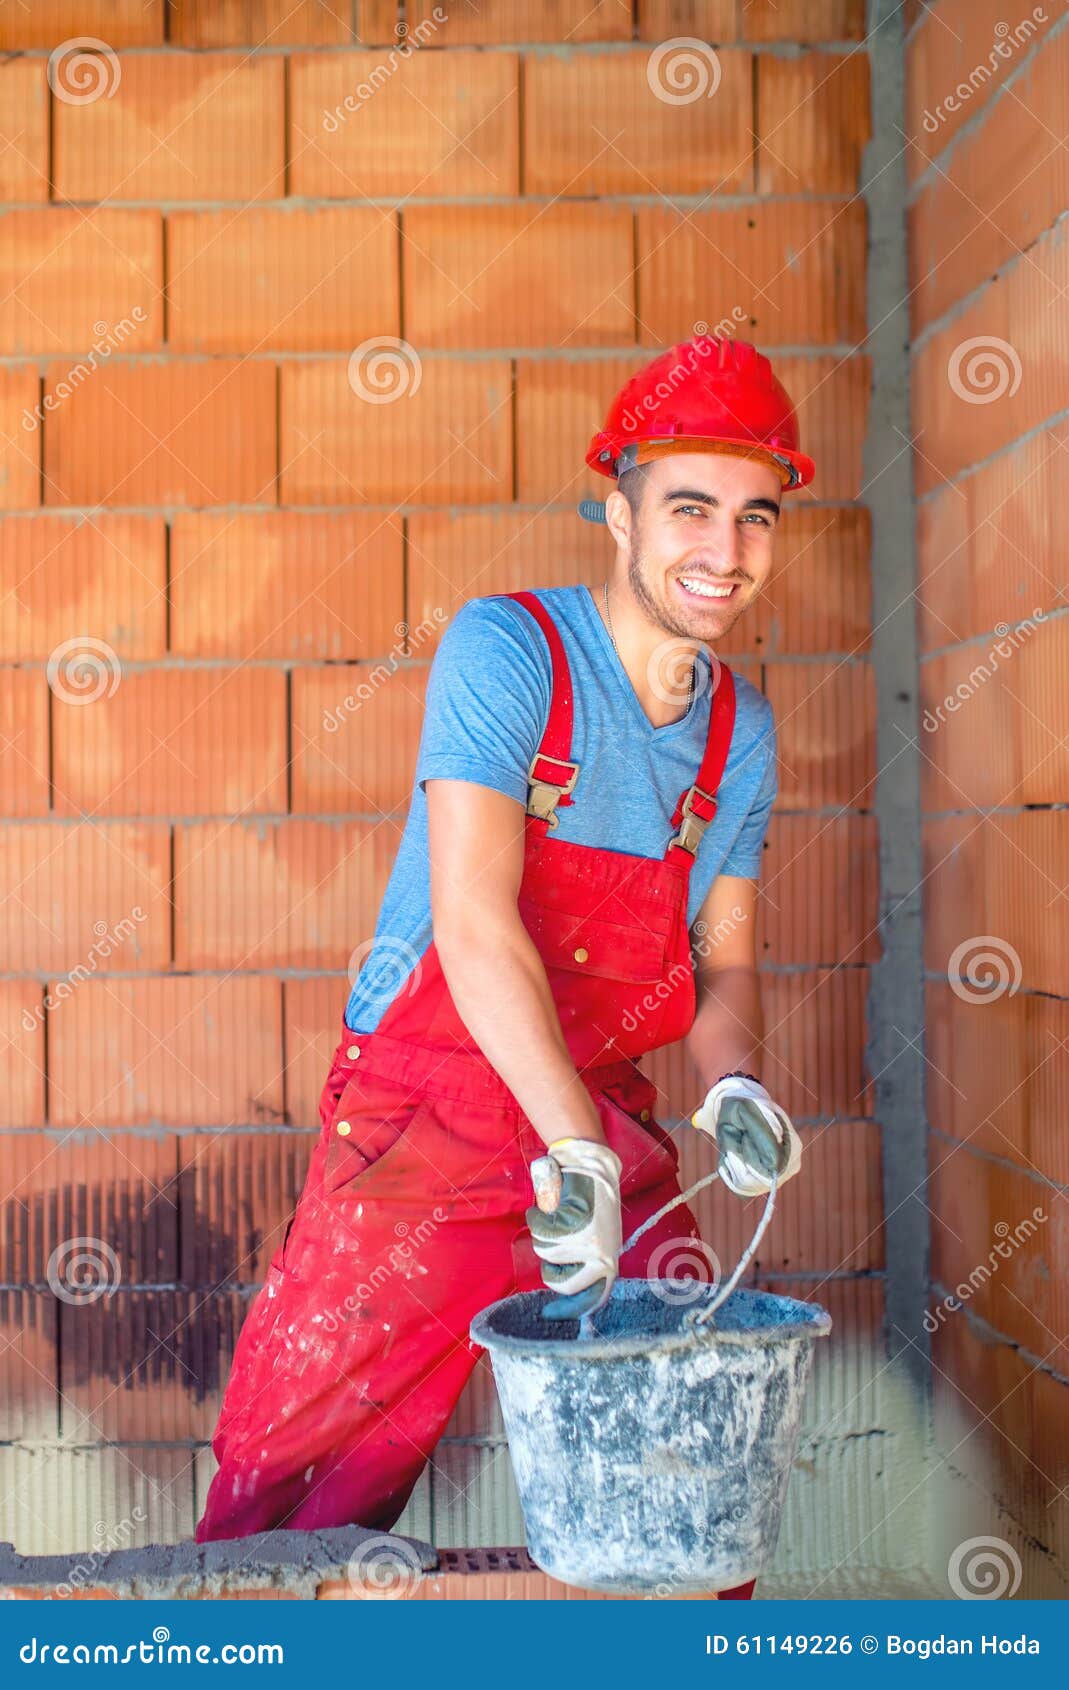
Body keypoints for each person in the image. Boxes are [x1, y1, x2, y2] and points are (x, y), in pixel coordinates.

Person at [197, 333, 809, 1558]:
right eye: (690, 509)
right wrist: (566, 1146)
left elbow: (722, 963)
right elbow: (474, 922)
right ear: (618, 514)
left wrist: (734, 1079)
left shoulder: (739, 731)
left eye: (754, 517)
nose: (723, 552)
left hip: (604, 1113)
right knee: (300, 1487)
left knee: (684, 1437)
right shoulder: (509, 649)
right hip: (430, 1123)